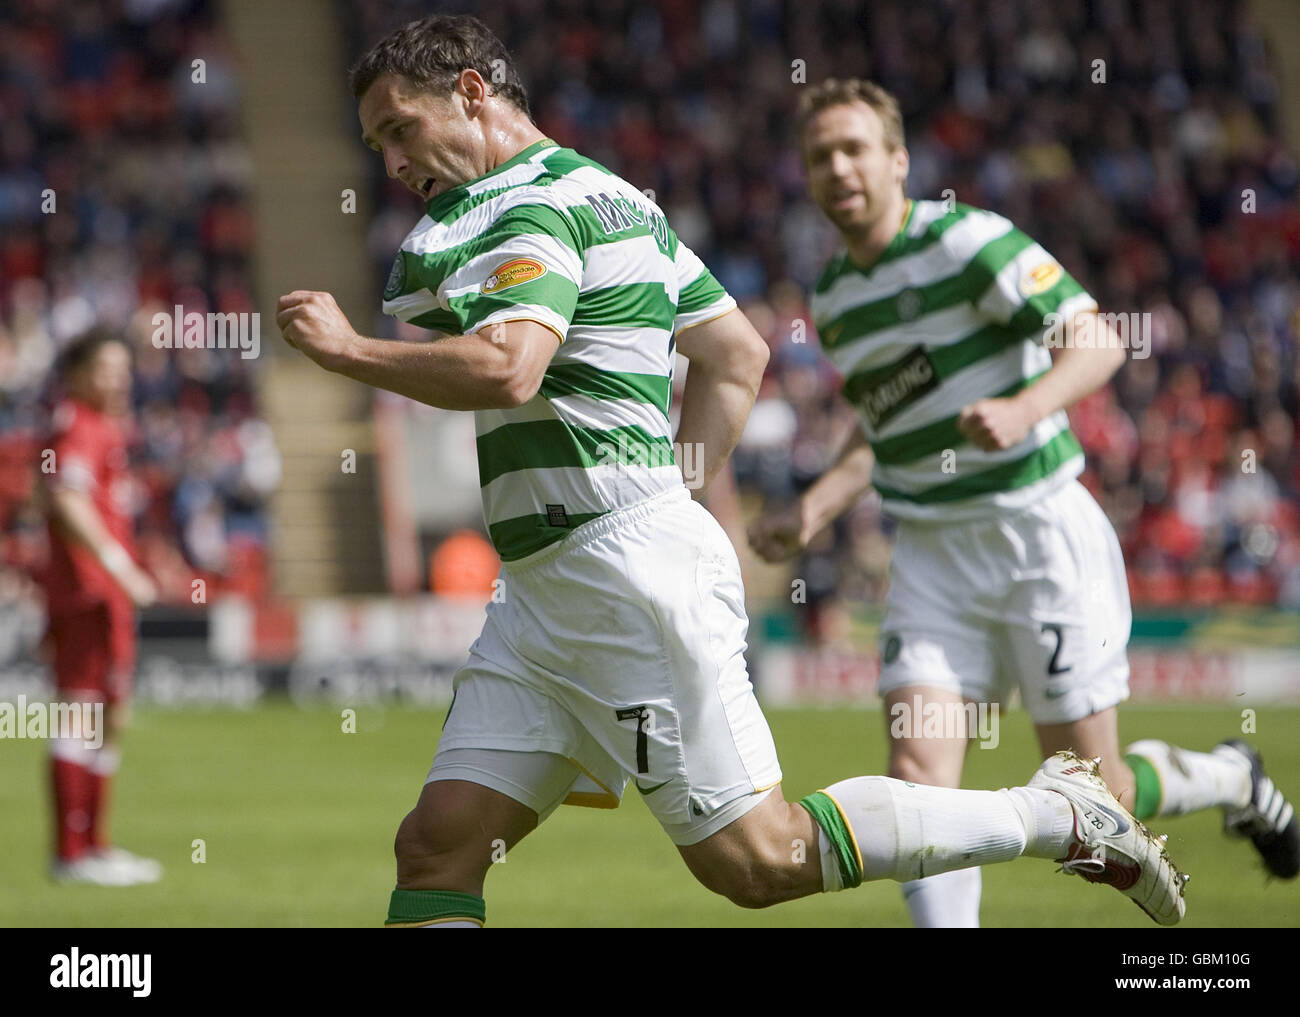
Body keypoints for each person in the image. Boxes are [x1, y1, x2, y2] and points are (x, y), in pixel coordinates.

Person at [276, 14, 1188, 927]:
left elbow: (509, 363)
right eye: (377, 143)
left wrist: (349, 350)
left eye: (400, 128)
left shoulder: (530, 205)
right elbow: (737, 353)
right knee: (440, 841)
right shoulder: (617, 196)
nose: (393, 162)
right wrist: (674, 488)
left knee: (761, 860)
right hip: (549, 590)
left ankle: (1055, 812)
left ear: (472, 92)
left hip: (615, 573)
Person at [748, 78, 1298, 927]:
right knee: (918, 778)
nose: (837, 167)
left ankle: (1233, 776)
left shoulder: (969, 240)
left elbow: (1097, 338)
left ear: (898, 161)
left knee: (1099, 794)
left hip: (1037, 531)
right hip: (932, 553)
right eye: (820, 155)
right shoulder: (836, 298)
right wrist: (815, 506)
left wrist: (1027, 406)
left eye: (855, 147)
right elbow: (883, 423)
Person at [41, 328, 163, 886]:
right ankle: (73, 854)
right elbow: (65, 499)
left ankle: (93, 848)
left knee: (109, 717)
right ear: (79, 373)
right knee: (83, 714)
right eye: (107, 368)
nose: (119, 379)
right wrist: (118, 565)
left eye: (123, 368)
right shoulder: (77, 423)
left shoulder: (104, 426)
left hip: (101, 595)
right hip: (86, 593)